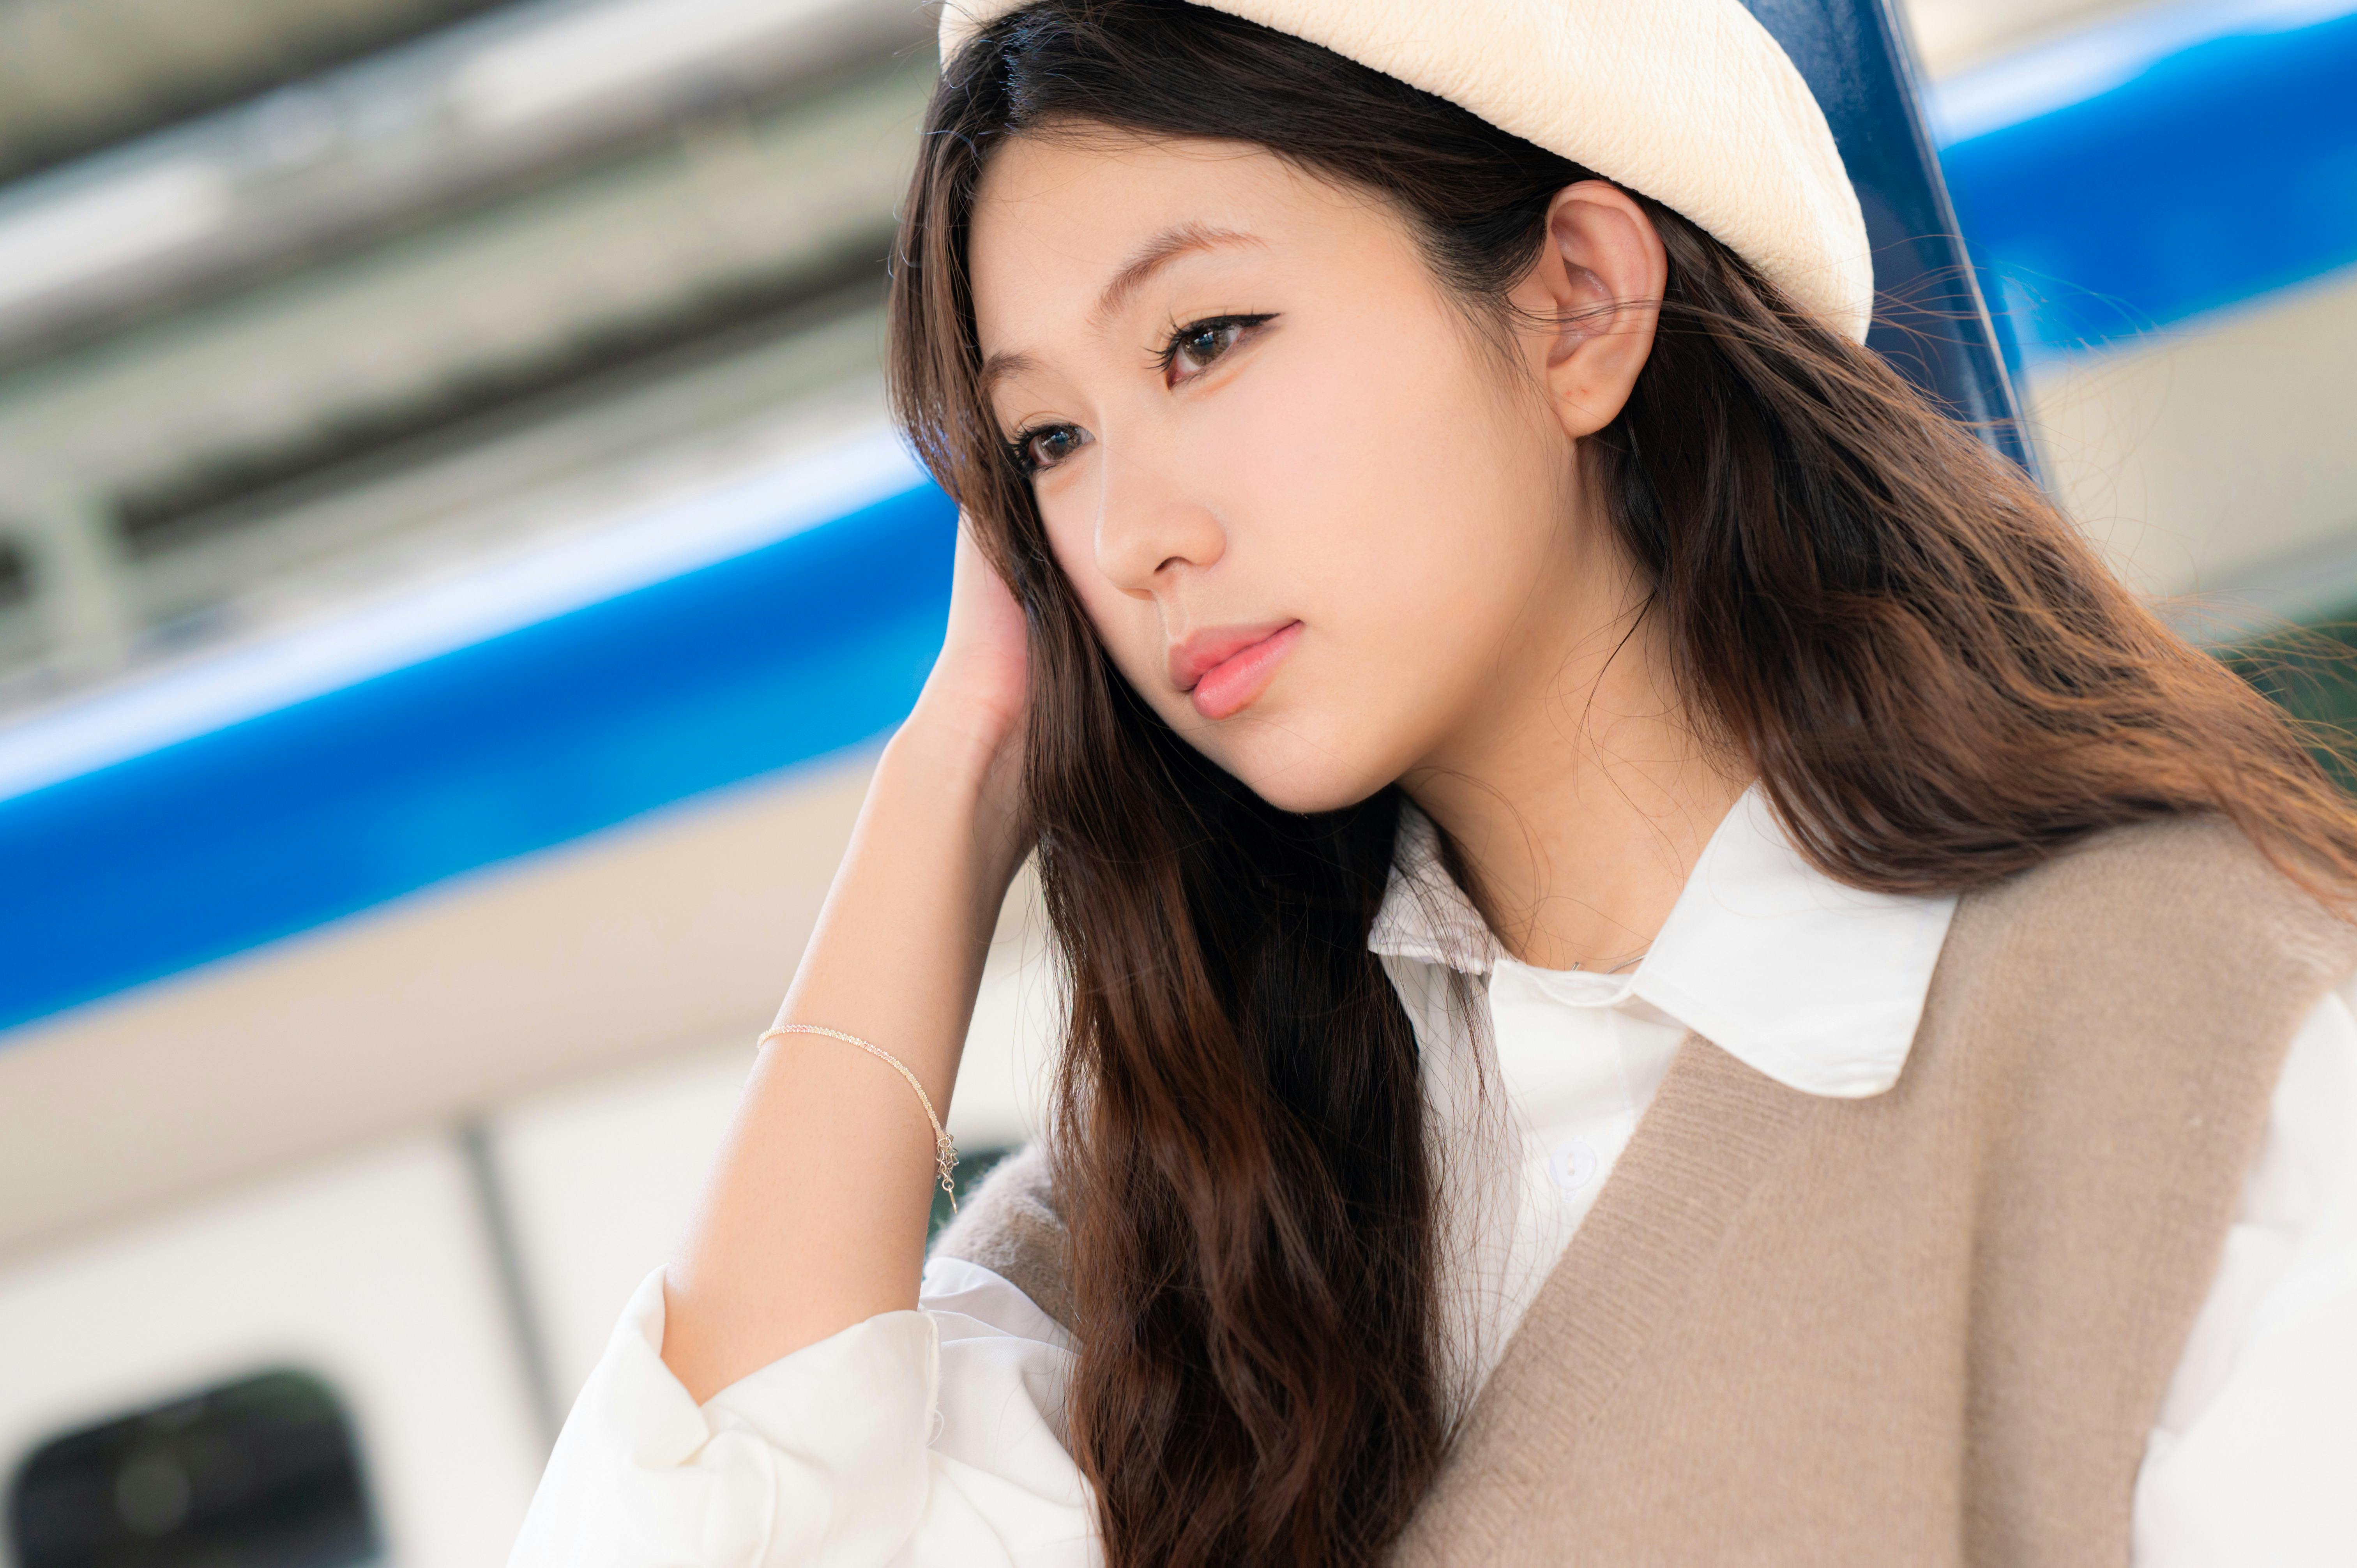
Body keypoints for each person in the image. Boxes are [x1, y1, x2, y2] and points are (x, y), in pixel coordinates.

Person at [508, 2, 2357, 1563]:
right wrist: (961, 762)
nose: (1133, 531)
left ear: (1573, 303)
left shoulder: (2195, 1024)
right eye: (1048, 440)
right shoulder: (1181, 1230)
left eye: (1207, 340)